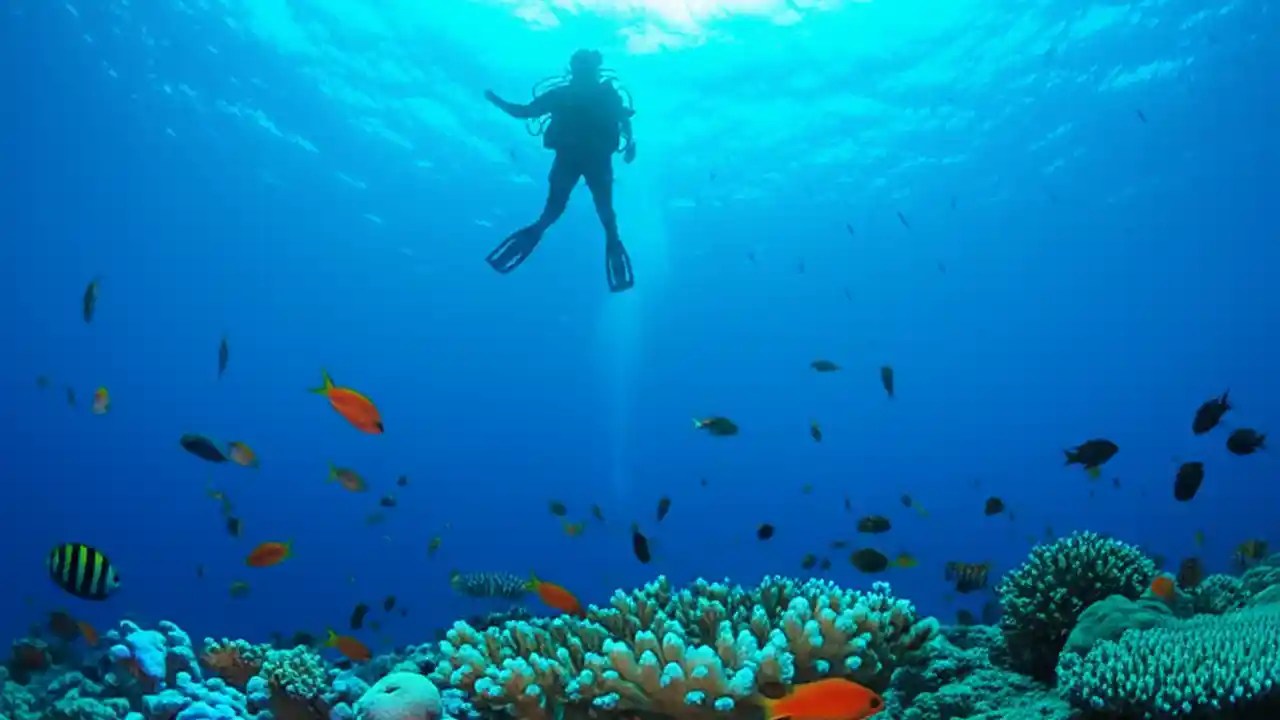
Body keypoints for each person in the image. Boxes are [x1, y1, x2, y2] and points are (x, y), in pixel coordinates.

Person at [484, 49, 638, 292]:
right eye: (581, 65)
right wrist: (630, 145)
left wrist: (495, 100)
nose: (584, 69)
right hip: (589, 157)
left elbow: (523, 112)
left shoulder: (570, 94)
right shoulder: (600, 94)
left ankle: (542, 232)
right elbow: (624, 122)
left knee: (565, 210)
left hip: (575, 156)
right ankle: (610, 242)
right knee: (599, 211)